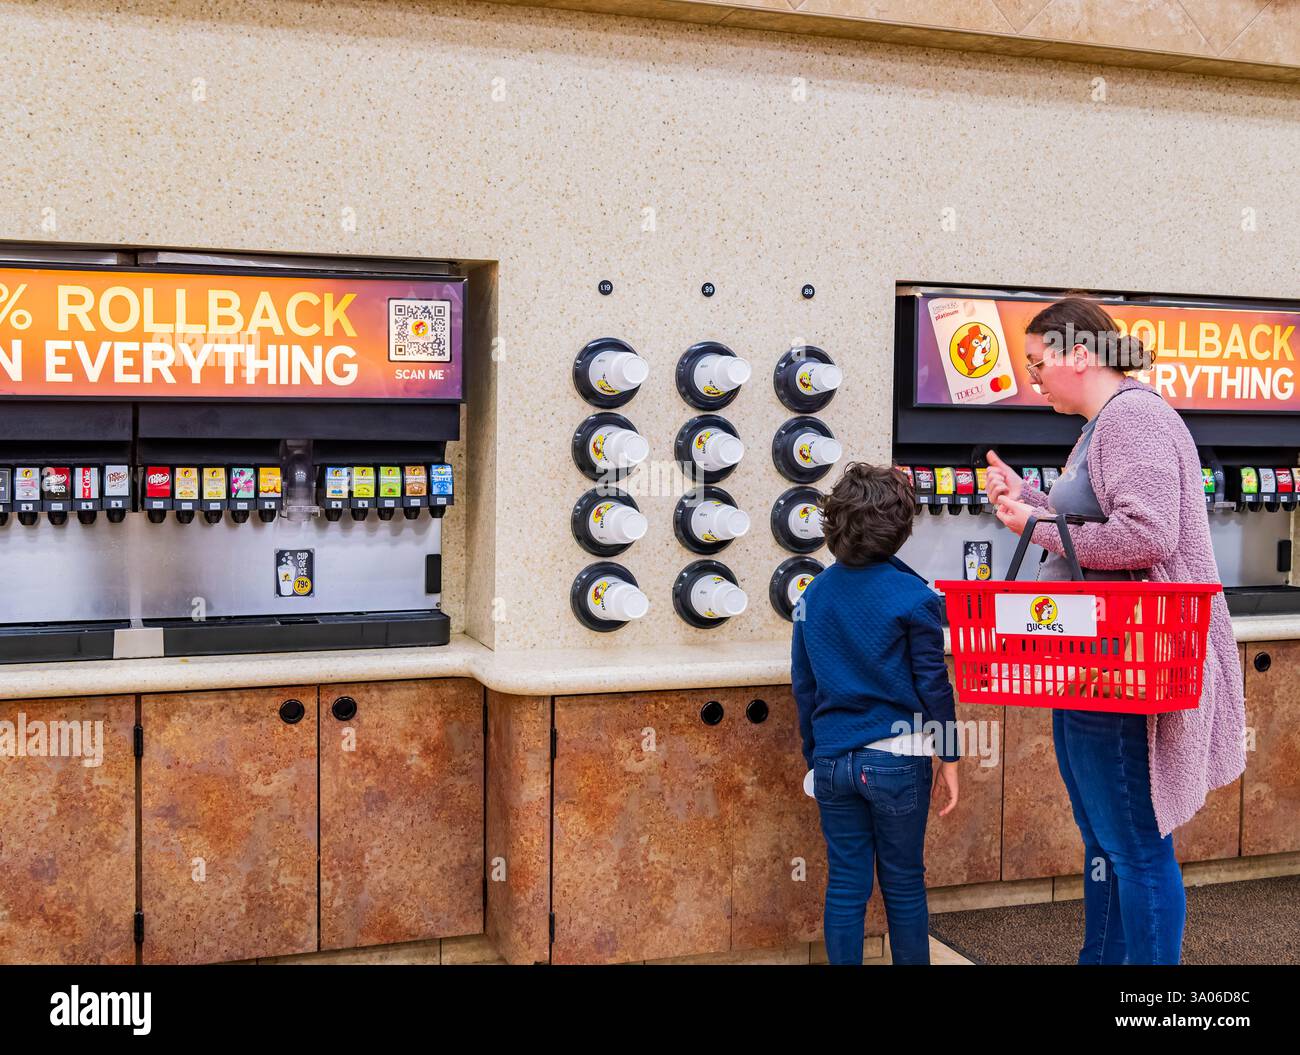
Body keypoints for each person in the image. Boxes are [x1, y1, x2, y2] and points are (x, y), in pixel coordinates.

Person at [985, 296, 1246, 965]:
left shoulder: (1132, 417)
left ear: (1080, 353)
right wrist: (1034, 499)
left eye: (1039, 362)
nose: (1033, 377)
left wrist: (1032, 526)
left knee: (1133, 844)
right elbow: (1099, 522)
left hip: (1126, 667)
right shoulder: (1104, 423)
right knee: (1107, 841)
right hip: (1095, 665)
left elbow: (1146, 532)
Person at [791, 462, 961, 965]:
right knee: (904, 884)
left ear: (832, 524)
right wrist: (948, 757)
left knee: (846, 883)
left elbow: (804, 687)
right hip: (897, 759)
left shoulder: (812, 595)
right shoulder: (915, 597)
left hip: (833, 762)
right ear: (903, 529)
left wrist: (815, 756)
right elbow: (934, 686)